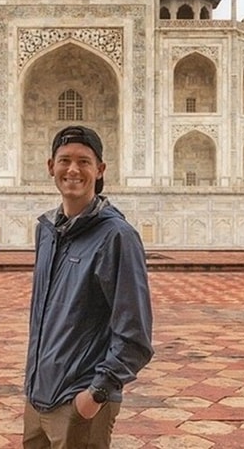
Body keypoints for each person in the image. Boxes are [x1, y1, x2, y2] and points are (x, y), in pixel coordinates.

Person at [23, 125, 154, 448]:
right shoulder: (47, 232)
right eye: (64, 160)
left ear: (100, 170)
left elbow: (134, 333)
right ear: (50, 166)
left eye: (84, 161)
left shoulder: (116, 236)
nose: (73, 170)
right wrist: (32, 387)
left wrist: (96, 393)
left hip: (80, 402)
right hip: (38, 397)